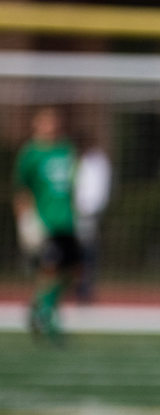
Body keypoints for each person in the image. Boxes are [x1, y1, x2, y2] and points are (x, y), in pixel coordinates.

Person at [12, 107, 79, 344]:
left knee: (72, 271)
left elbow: (74, 185)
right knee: (50, 269)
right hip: (44, 221)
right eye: (46, 121)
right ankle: (49, 318)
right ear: (36, 124)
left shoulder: (66, 149)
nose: (51, 125)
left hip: (67, 220)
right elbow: (21, 191)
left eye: (54, 121)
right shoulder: (30, 154)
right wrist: (26, 221)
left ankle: (38, 306)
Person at [73, 131, 112, 304]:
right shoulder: (74, 160)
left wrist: (92, 209)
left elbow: (99, 189)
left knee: (88, 252)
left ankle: (84, 289)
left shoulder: (98, 161)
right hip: (70, 213)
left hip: (88, 213)